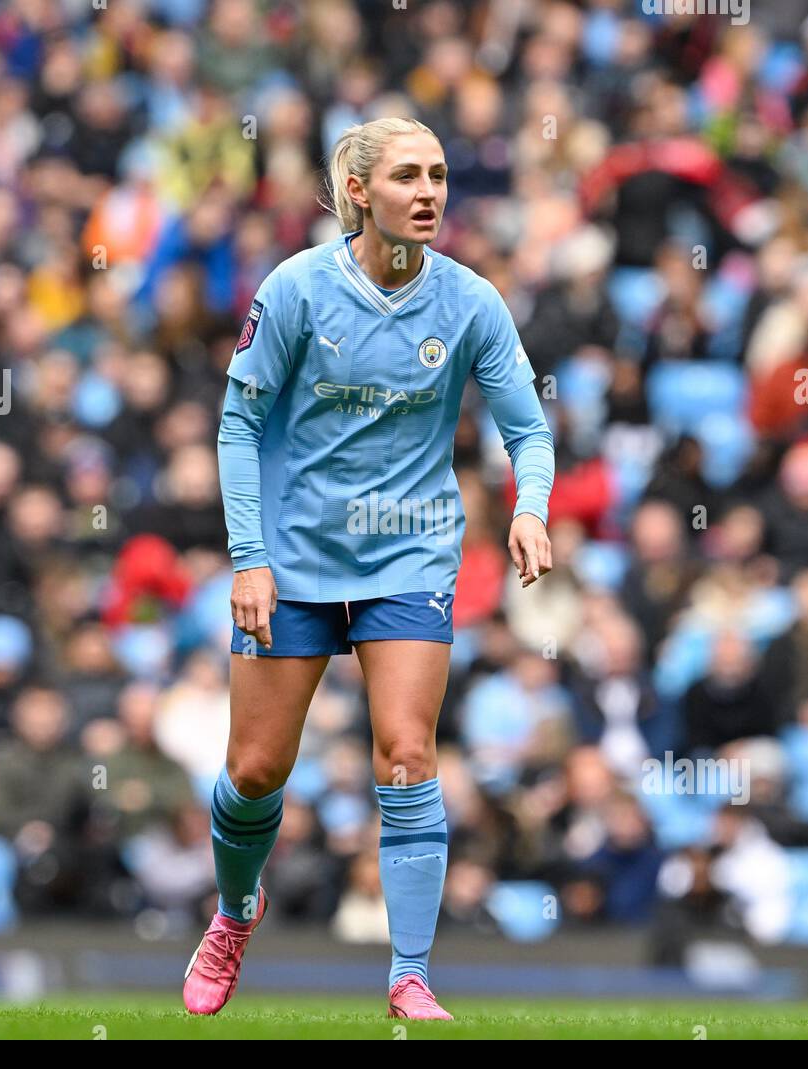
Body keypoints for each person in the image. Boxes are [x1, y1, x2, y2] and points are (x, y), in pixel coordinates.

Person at [185, 117, 555, 1020]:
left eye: (436, 174)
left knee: (407, 754)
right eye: (405, 177)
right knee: (259, 769)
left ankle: (410, 973)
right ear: (358, 191)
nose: (428, 192)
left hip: (411, 552)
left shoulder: (470, 301)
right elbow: (237, 428)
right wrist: (249, 560)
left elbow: (528, 428)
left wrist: (531, 508)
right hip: (295, 556)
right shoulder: (298, 290)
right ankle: (236, 911)